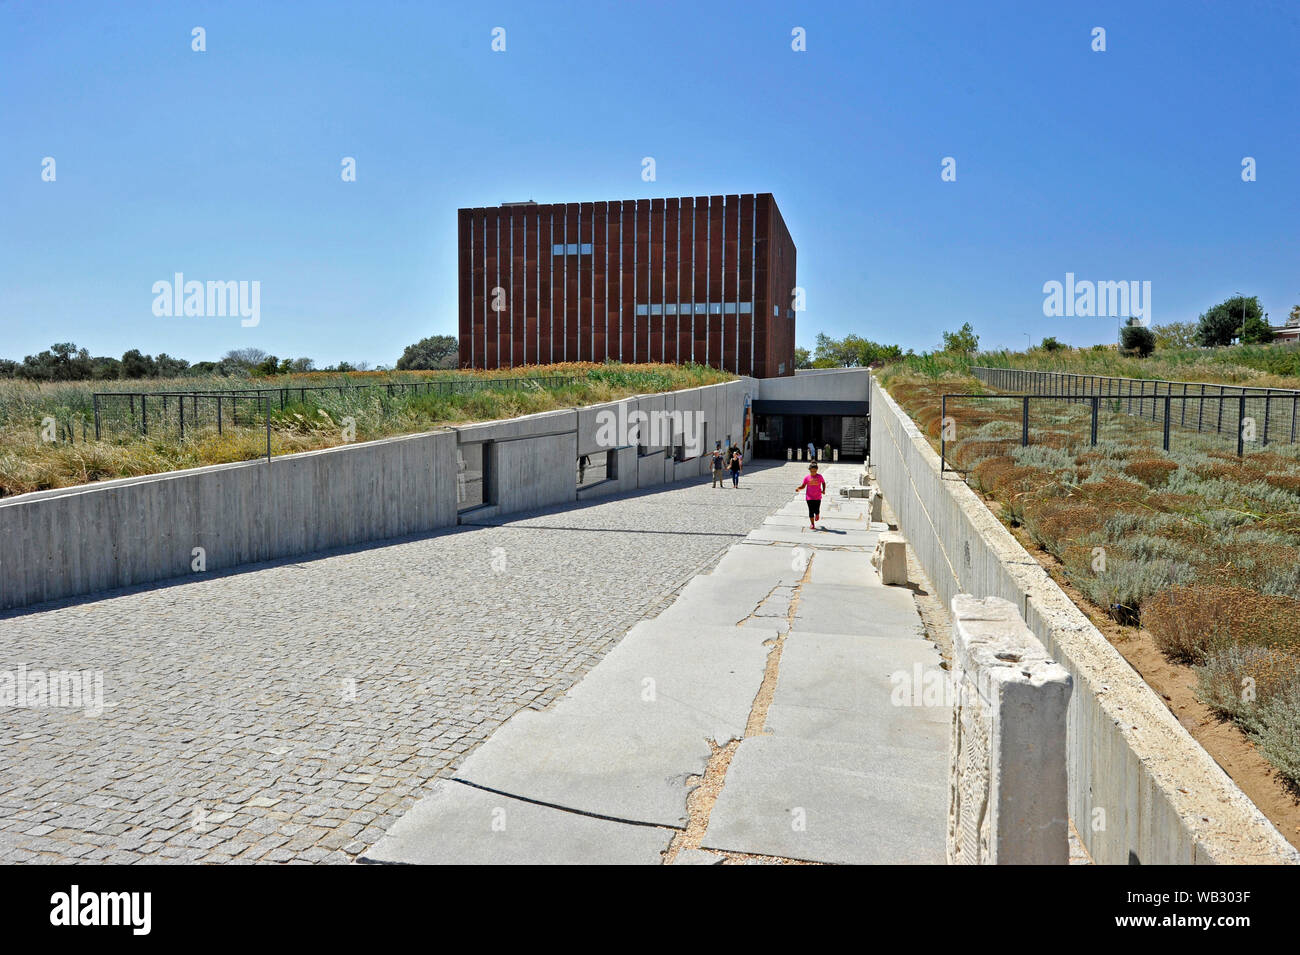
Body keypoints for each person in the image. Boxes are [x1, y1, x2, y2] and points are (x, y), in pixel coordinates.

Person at [797, 462, 827, 530]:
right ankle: (812, 524)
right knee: (811, 510)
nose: (813, 472)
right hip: (809, 497)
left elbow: (823, 483)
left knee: (816, 509)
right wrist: (798, 488)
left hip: (817, 497)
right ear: (809, 470)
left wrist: (823, 490)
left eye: (815, 471)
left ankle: (817, 514)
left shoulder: (819, 476)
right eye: (812, 471)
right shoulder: (807, 478)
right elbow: (803, 486)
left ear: (817, 470)